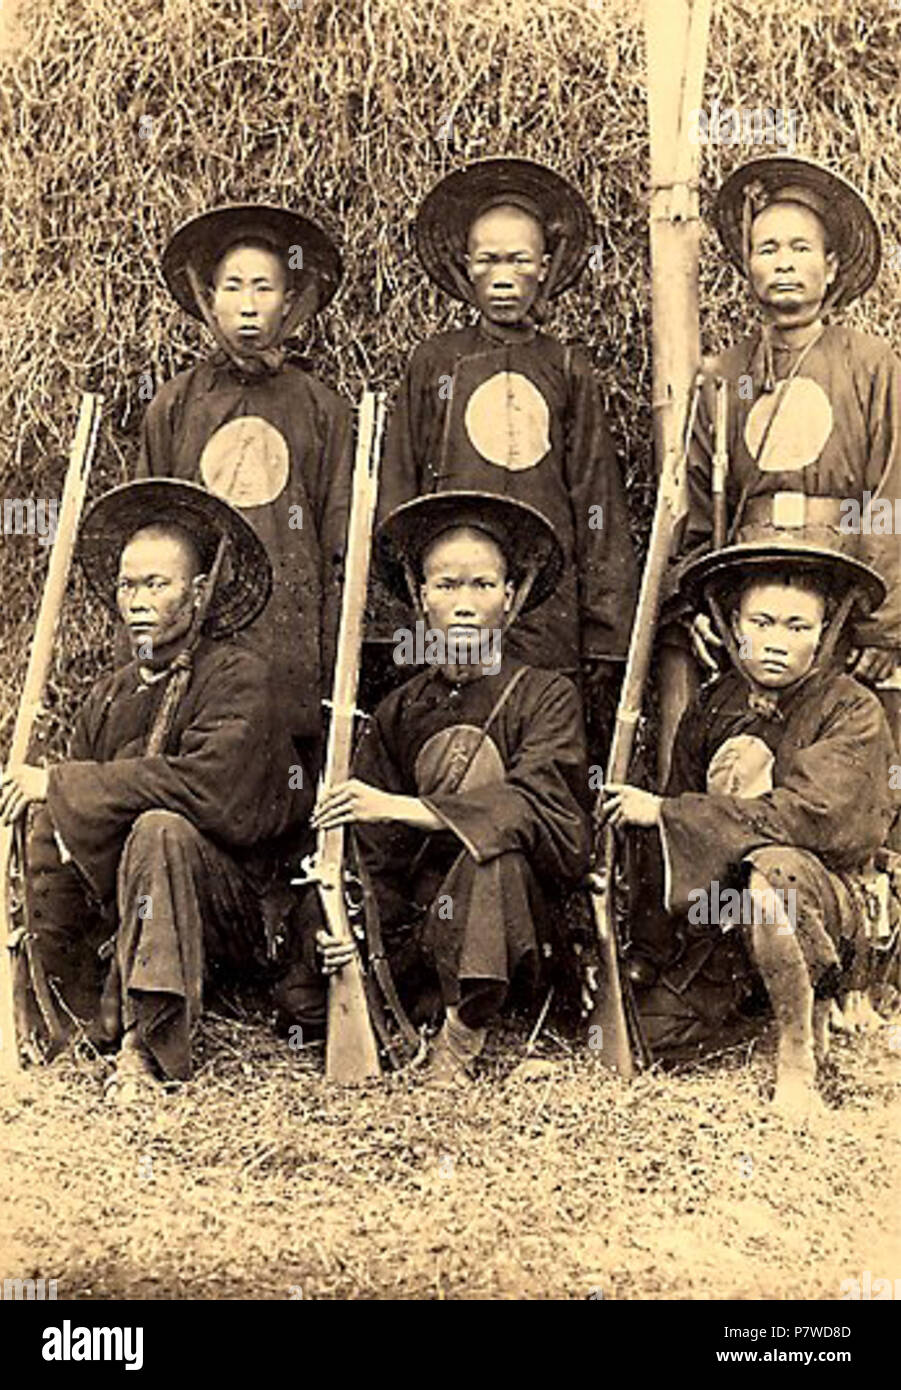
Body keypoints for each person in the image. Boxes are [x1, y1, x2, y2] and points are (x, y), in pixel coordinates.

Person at [0, 479, 313, 1100]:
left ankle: (149, 1045)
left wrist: (61, 783)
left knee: (159, 828)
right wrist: (50, 806)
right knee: (44, 818)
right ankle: (66, 1012)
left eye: (156, 585)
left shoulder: (240, 679)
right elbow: (68, 807)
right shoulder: (110, 695)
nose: (136, 600)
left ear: (198, 594)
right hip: (129, 907)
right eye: (127, 585)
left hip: (234, 913)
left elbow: (207, 787)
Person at [607, 525, 899, 1122]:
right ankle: (759, 1007)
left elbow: (814, 817)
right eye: (761, 622)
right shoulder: (710, 706)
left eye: (797, 627)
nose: (775, 641)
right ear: (735, 626)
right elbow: (677, 829)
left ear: (824, 634)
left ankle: (798, 1056)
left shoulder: (852, 710)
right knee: (654, 1035)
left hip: (820, 900)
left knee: (774, 877)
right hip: (722, 911)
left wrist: (667, 812)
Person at [304, 491, 592, 1083]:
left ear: (510, 599)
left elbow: (540, 810)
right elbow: (372, 856)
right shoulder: (398, 711)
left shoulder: (547, 697)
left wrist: (412, 810)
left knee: (494, 857)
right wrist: (348, 936)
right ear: (421, 598)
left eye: (482, 586)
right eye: (446, 586)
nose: (464, 604)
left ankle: (460, 1043)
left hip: (518, 933)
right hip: (427, 933)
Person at [375, 158, 637, 766]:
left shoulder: (569, 368)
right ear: (465, 267)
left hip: (546, 614)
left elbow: (597, 502)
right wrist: (402, 621)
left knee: (537, 748)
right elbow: (397, 496)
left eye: (520, 260)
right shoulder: (433, 364)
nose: (503, 276)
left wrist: (605, 633)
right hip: (451, 607)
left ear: (545, 269)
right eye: (487, 259)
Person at [662, 154, 901, 777]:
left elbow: (892, 493)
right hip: (753, 583)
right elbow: (693, 505)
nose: (785, 263)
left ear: (831, 265)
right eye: (768, 248)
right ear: (747, 265)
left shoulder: (873, 365)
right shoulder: (722, 375)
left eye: (801, 248)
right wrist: (699, 606)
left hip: (846, 587)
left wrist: (882, 627)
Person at [138, 203, 354, 747]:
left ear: (291, 301)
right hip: (198, 630)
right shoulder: (175, 404)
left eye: (265, 288)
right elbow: (147, 536)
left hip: (288, 631)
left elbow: (339, 542)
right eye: (233, 287)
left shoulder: (323, 410)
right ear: (209, 300)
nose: (249, 306)